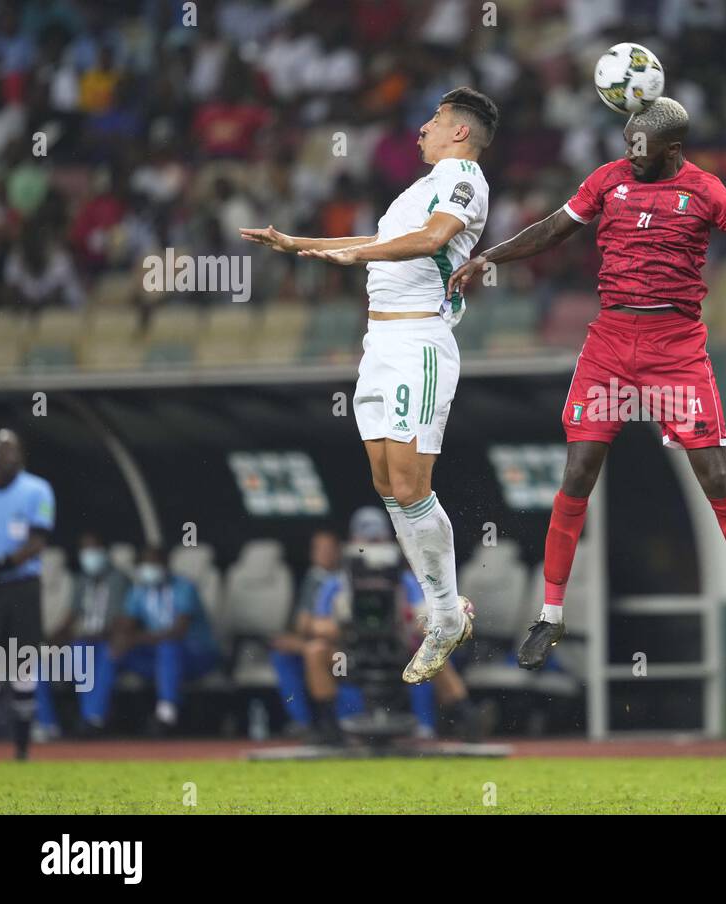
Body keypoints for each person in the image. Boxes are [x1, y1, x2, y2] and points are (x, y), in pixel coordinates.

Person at [448, 97, 726, 669]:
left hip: (675, 348)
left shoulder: (706, 190)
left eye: (641, 146)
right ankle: (550, 616)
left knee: (715, 475)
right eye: (626, 141)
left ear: (672, 150)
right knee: (578, 470)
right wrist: (490, 257)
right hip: (610, 344)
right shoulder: (608, 180)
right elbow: (555, 229)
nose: (629, 154)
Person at [241, 86, 499, 683]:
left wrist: (358, 257)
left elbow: (433, 240)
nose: (421, 130)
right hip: (379, 346)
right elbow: (374, 248)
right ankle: (443, 612)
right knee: (387, 481)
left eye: (433, 121)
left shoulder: (464, 179)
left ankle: (444, 611)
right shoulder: (414, 189)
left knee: (410, 480)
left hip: (418, 344)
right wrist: (296, 244)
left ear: (460, 131)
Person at [305, 507, 482, 743]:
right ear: (353, 541)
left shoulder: (405, 579)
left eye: (377, 540)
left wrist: (423, 624)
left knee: (436, 654)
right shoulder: (337, 582)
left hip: (397, 650)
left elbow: (424, 619)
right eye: (366, 540)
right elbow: (317, 625)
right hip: (352, 653)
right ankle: (328, 728)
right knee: (315, 651)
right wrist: (346, 625)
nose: (372, 546)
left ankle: (466, 720)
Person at [85, 545, 220, 735]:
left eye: (153, 563)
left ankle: (166, 715)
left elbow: (178, 631)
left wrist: (134, 639)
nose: (148, 568)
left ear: (165, 565)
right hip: (159, 659)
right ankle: (94, 718)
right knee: (112, 651)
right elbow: (127, 623)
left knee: (168, 646)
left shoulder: (183, 587)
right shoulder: (140, 590)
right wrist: (118, 637)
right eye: (145, 563)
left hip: (196, 655)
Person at [0, 429, 55, 760]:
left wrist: (2, 564)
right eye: (2, 450)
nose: (8, 456)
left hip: (21, 587)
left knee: (21, 667)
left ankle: (22, 748)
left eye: (14, 450)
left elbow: (38, 540)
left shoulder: (37, 490)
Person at [36, 531, 131, 738]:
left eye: (94, 549)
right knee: (35, 662)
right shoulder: (81, 581)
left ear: (104, 551)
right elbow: (70, 618)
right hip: (82, 643)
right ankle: (47, 724)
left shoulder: (118, 579)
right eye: (85, 549)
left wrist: (86, 637)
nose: (89, 554)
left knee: (85, 650)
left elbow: (119, 623)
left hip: (104, 644)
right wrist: (47, 642)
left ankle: (92, 719)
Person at [268, 529, 341, 737]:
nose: (323, 554)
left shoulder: (343, 579)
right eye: (319, 549)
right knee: (283, 654)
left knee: (314, 651)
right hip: (320, 643)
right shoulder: (313, 578)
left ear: (338, 551)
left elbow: (336, 628)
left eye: (328, 549)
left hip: (343, 648)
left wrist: (312, 630)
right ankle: (303, 722)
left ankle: (333, 725)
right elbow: (302, 624)